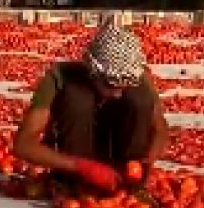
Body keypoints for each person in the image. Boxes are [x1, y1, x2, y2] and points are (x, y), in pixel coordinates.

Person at [13, 22, 169, 193]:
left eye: (123, 88)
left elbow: (160, 130)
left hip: (122, 164)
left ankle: (130, 187)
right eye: (110, 85)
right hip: (74, 163)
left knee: (140, 98)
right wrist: (81, 166)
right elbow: (23, 145)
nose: (117, 93)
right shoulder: (59, 78)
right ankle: (73, 184)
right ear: (92, 71)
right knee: (77, 98)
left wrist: (147, 160)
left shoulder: (137, 79)